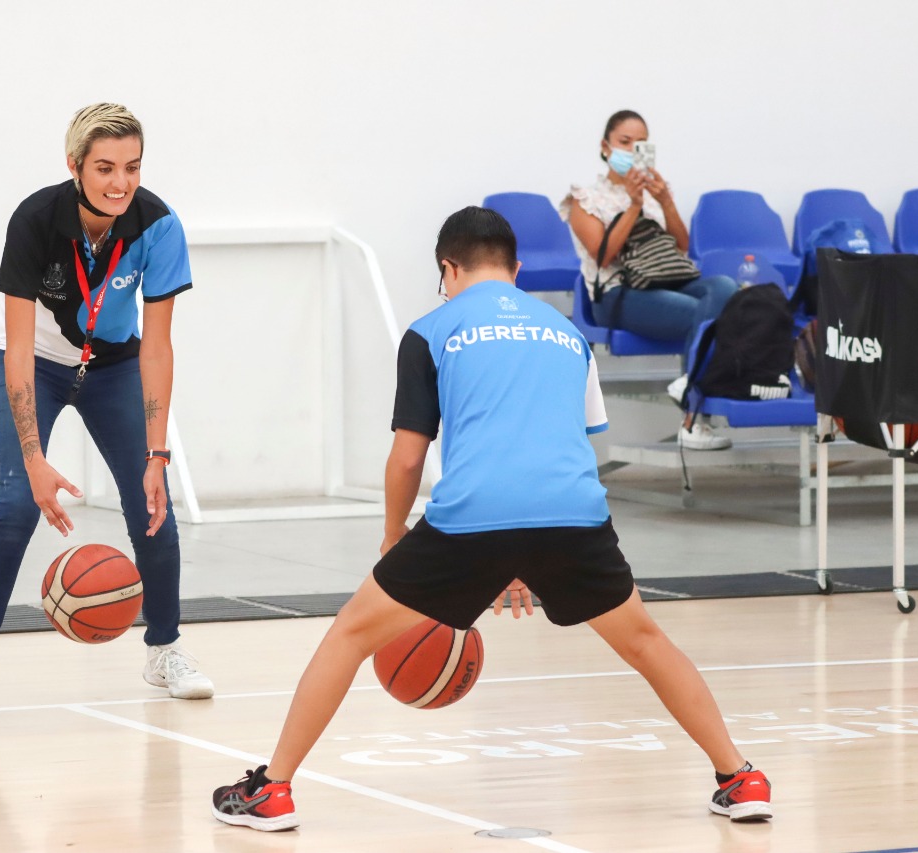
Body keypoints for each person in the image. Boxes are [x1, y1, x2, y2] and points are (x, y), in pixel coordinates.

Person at [211, 207, 773, 831]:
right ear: (517, 268)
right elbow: (567, 440)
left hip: (474, 516)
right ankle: (740, 777)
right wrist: (525, 557)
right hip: (573, 511)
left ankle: (273, 790)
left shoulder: (430, 331)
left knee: (349, 635)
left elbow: (407, 459)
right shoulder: (568, 334)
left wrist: (395, 537)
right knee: (646, 643)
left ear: (446, 270)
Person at [0, 103, 214, 720]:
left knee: (152, 502)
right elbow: (16, 348)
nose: (121, 182)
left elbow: (158, 347)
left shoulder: (158, 225)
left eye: (132, 167)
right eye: (105, 168)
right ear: (75, 166)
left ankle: (164, 649)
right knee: (15, 503)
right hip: (35, 363)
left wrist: (157, 453)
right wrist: (34, 459)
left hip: (114, 368)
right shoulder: (36, 219)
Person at [560, 110, 738, 450]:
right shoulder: (584, 199)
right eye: (625, 142)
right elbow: (603, 256)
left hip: (664, 280)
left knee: (725, 288)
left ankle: (689, 385)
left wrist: (665, 201)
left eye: (640, 143)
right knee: (702, 316)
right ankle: (693, 419)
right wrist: (632, 206)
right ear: (606, 147)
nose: (632, 150)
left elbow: (682, 248)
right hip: (616, 293)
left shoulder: (654, 198)